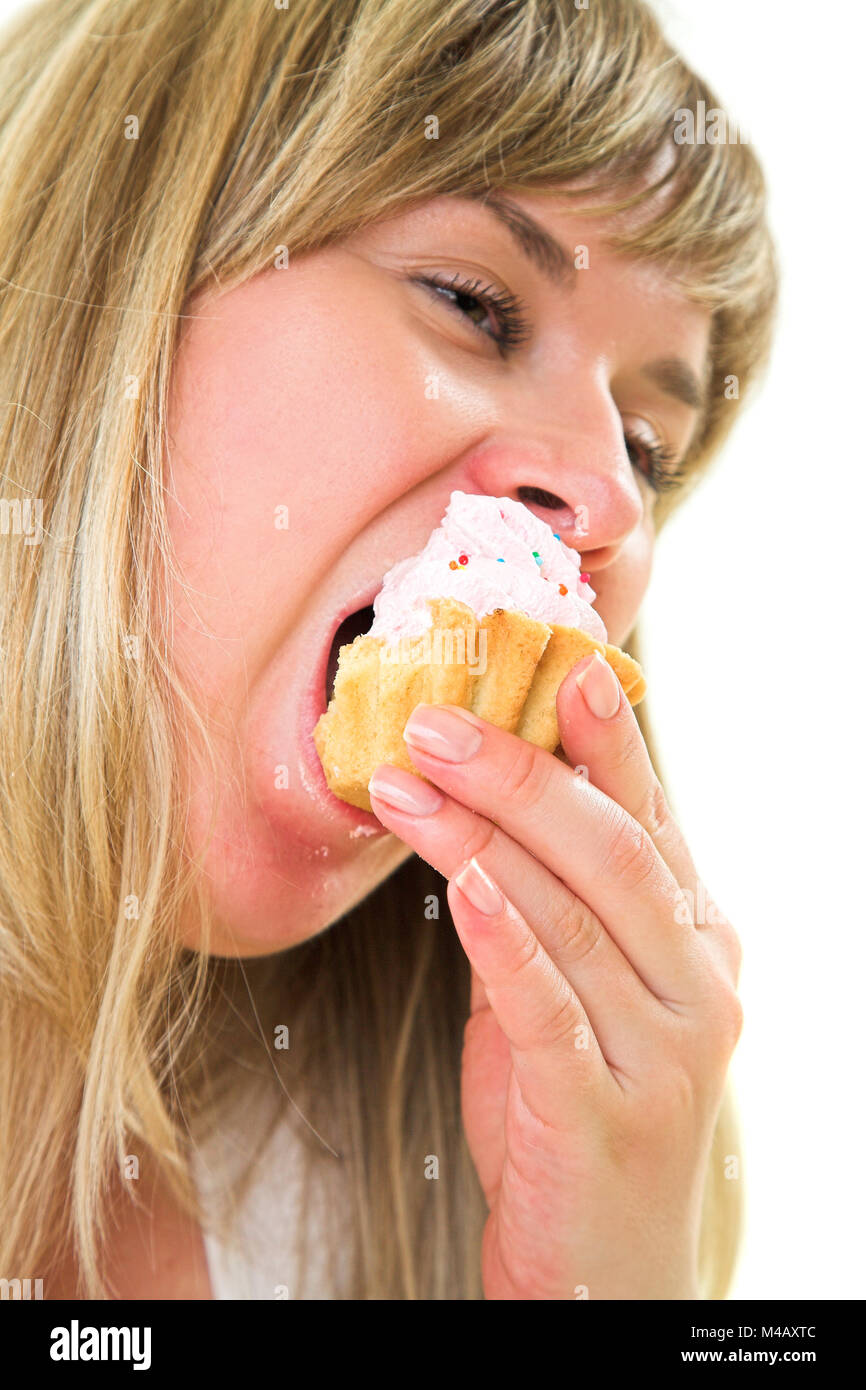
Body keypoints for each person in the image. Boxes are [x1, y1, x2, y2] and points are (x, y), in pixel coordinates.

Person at [0, 0, 777, 1299]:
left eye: (647, 447)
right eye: (475, 305)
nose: (605, 498)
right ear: (117, 279)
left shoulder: (386, 1179)